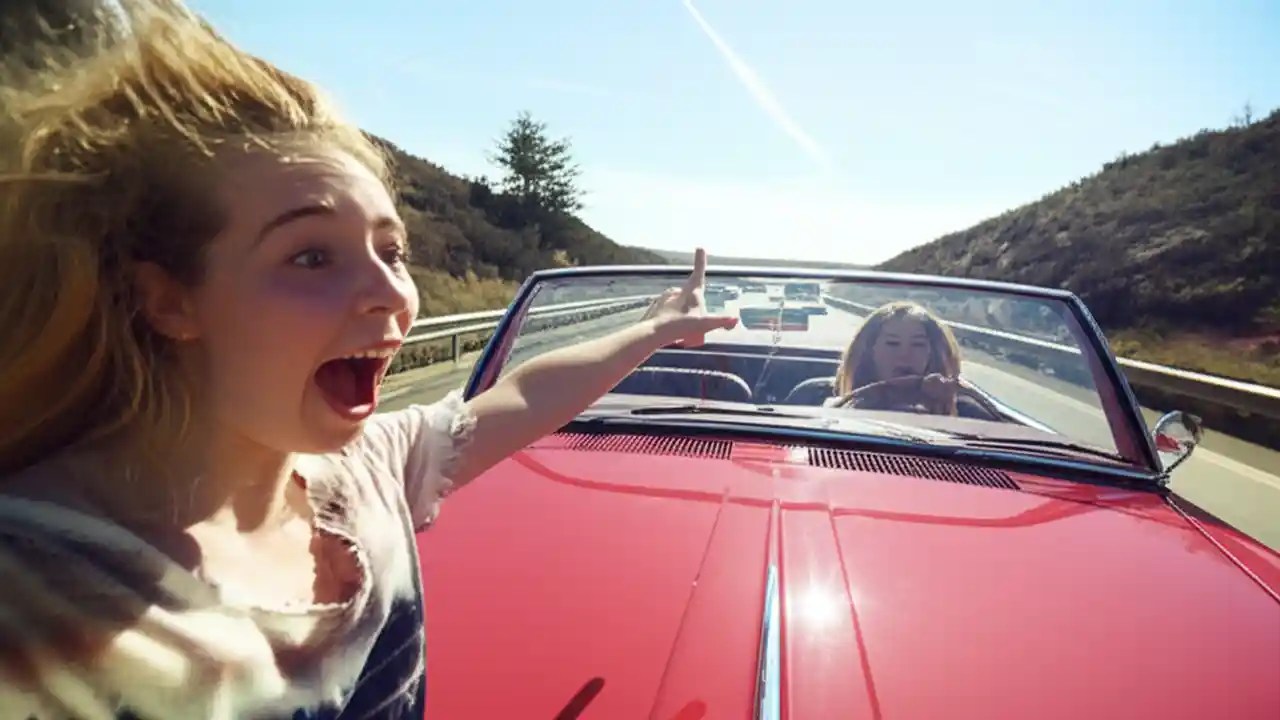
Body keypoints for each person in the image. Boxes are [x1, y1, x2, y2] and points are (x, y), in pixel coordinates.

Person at [0, 2, 737, 718]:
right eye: (312, 256)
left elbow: (519, 397)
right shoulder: (40, 599)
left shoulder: (362, 478)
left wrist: (651, 332)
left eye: (393, 251)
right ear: (169, 300)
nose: (390, 293)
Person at [829, 300, 1001, 419]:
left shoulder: (968, 410)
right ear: (868, 352)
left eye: (918, 345)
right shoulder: (828, 403)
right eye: (892, 344)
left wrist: (949, 410)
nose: (905, 355)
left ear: (933, 352)